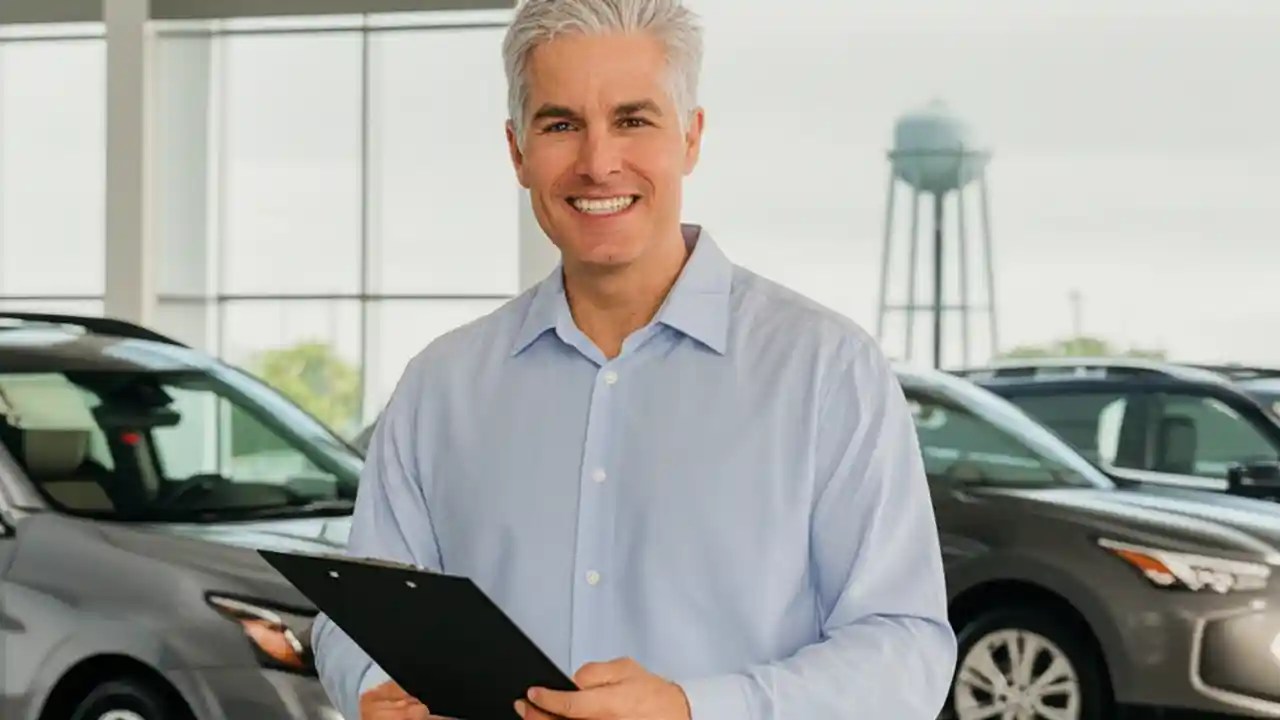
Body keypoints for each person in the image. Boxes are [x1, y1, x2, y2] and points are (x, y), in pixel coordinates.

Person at [311, 0, 957, 718]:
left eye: (633, 120)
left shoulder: (827, 372)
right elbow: (358, 615)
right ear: (517, 150)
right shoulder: (442, 386)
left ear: (692, 136)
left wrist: (692, 710)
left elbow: (904, 652)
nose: (597, 163)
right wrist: (374, 690)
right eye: (560, 125)